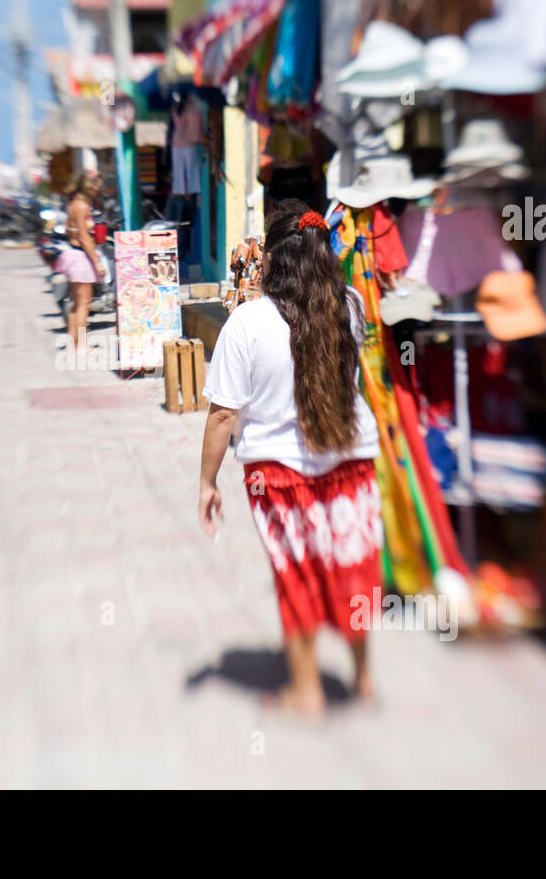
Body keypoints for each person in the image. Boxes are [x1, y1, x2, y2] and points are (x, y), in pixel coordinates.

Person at [198, 199, 384, 716]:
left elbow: (221, 416)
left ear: (274, 258)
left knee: (297, 573)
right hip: (350, 461)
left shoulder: (246, 323)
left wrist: (206, 483)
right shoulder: (349, 305)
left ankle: (306, 692)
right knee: (352, 567)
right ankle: (364, 679)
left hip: (277, 475)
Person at [56, 171, 105, 351]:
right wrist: (97, 263)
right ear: (89, 186)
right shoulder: (83, 207)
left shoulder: (73, 204)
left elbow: (70, 229)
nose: (99, 189)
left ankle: (73, 343)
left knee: (76, 303)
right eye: (97, 185)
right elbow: (84, 238)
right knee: (84, 303)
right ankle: (81, 345)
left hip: (72, 254)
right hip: (82, 257)